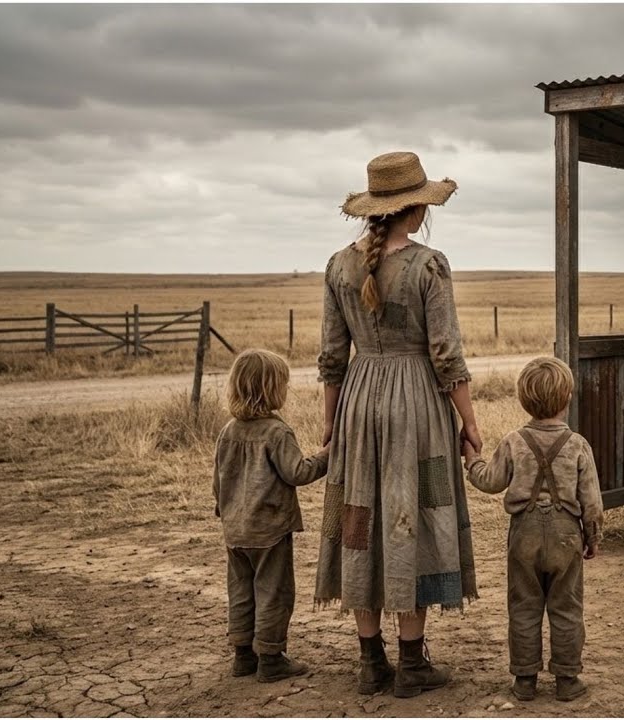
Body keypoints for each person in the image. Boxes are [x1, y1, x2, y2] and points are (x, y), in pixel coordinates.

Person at [313, 151, 481, 698]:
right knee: (419, 510)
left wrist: (331, 423)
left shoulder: (339, 264)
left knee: (359, 514)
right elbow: (446, 355)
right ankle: (412, 663)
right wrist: (470, 423)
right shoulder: (428, 264)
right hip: (417, 407)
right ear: (416, 210)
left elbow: (331, 358)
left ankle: (370, 662)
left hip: (359, 402)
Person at [462, 356, 603, 703]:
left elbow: (490, 481)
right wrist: (593, 537)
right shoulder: (578, 444)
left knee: (524, 606)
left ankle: (524, 679)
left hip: (523, 533)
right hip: (566, 534)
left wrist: (471, 458)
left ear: (524, 399)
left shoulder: (513, 441)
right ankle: (567, 680)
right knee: (566, 607)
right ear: (567, 397)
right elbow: (593, 503)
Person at [213, 349, 329, 683]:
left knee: (241, 591)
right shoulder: (276, 433)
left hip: (235, 532)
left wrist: (226, 513)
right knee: (273, 592)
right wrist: (327, 455)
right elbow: (297, 472)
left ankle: (242, 655)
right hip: (270, 531)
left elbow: (218, 481)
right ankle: (271, 656)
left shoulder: (228, 432)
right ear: (271, 389)